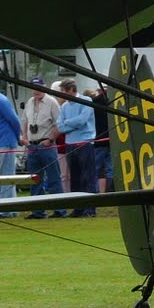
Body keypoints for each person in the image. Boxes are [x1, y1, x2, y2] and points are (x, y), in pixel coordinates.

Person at [22, 76, 63, 218]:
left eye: (39, 87)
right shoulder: (29, 102)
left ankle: (59, 209)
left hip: (47, 145)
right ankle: (38, 211)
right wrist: (24, 138)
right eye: (34, 87)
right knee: (35, 179)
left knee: (53, 178)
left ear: (44, 87)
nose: (36, 90)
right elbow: (25, 121)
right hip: (32, 146)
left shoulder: (51, 102)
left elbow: (60, 123)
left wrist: (50, 139)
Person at [58, 80, 98, 216]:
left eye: (63, 91)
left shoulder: (86, 100)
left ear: (70, 90)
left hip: (85, 142)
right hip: (70, 144)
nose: (61, 95)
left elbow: (82, 121)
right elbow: (60, 126)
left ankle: (90, 208)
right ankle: (78, 208)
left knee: (88, 176)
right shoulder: (64, 107)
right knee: (74, 177)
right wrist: (68, 124)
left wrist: (67, 122)